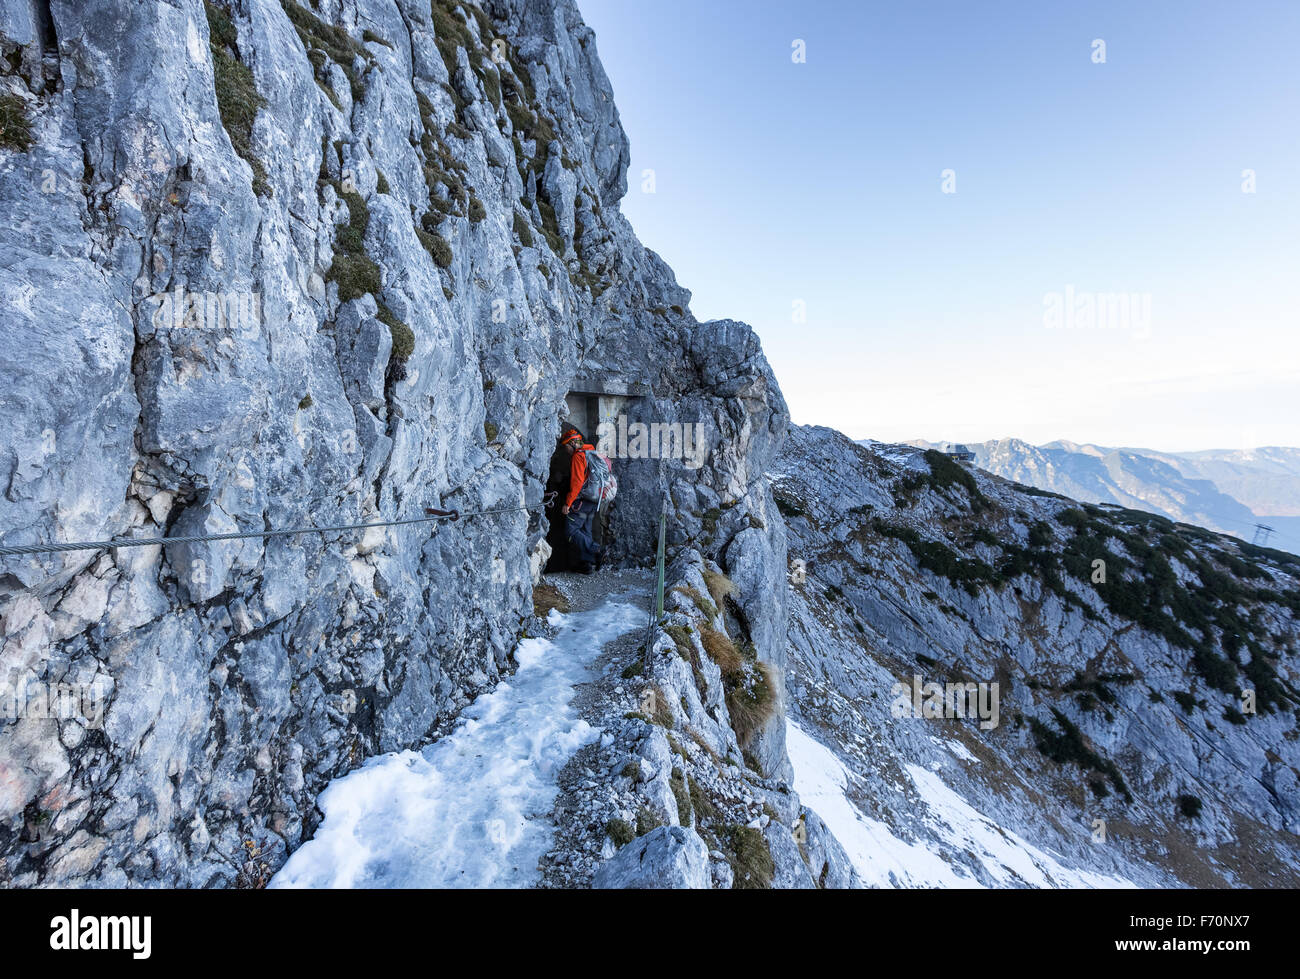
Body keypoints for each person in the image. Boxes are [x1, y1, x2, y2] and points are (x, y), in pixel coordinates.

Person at [560, 427, 601, 574]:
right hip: (594, 500)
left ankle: (595, 549)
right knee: (585, 529)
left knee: (570, 530)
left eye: (566, 447)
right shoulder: (591, 451)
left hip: (582, 500)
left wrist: (568, 503)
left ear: (572, 443)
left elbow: (577, 482)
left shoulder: (579, 456)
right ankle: (588, 565)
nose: (566, 451)